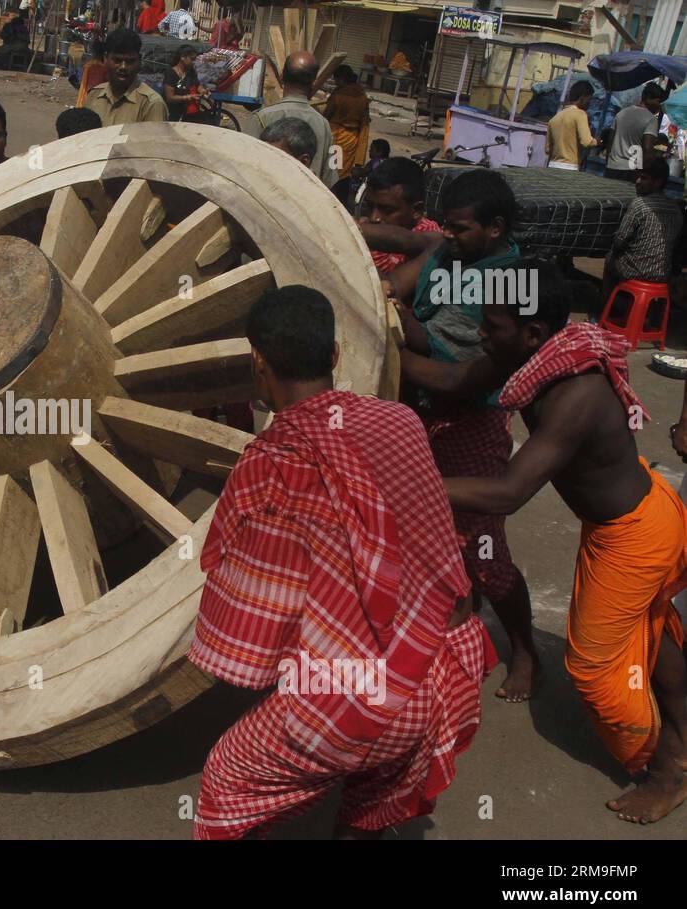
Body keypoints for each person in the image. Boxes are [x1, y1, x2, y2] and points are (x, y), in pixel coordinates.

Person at [190, 285, 493, 839]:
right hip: (449, 670)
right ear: (334, 355)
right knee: (370, 798)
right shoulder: (399, 421)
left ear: (257, 361)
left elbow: (253, 627)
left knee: (227, 778)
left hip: (362, 701)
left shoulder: (271, 463)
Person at [408, 259, 687, 825]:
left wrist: (408, 484)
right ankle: (681, 744)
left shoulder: (574, 393)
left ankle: (665, 773)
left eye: (493, 325)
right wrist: (384, 332)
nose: (482, 334)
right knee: (652, 637)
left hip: (635, 535)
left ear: (532, 333)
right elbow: (454, 380)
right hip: (626, 523)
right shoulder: (536, 356)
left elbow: (509, 491)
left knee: (594, 669)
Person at [388, 169, 538, 703]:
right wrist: (389, 295)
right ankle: (457, 644)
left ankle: (525, 649)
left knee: (484, 554)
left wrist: (396, 335)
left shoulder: (507, 282)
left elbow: (451, 368)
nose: (448, 236)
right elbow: (405, 276)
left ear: (496, 228)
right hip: (424, 419)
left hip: (471, 423)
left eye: (460, 228)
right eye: (446, 227)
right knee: (425, 543)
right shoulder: (454, 255)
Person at [247, 51, 336, 186]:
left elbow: (243, 164)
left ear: (282, 77)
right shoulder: (324, 125)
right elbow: (331, 176)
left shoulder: (261, 117)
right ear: (313, 82)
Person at [603, 157, 682, 297]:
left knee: (610, 258)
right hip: (663, 273)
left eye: (644, 178)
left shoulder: (639, 205)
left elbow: (619, 241)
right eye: (638, 177)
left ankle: (608, 307)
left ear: (657, 182)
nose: (637, 182)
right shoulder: (675, 208)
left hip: (636, 272)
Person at [355, 156, 442, 275]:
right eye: (370, 206)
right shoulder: (367, 227)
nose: (374, 218)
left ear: (416, 210)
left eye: (387, 209)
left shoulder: (430, 239)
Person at [85, 28, 165, 128]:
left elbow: (153, 143)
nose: (123, 67)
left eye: (130, 61)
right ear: (106, 59)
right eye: (117, 60)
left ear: (139, 61)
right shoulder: (93, 95)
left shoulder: (151, 104)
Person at [605, 83, 668, 182]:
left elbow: (610, 142)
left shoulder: (622, 113)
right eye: (658, 101)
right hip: (630, 171)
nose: (660, 106)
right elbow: (648, 150)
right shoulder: (651, 119)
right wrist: (640, 173)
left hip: (611, 168)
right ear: (648, 98)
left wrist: (608, 163)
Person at [324, 64, 369, 174]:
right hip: (351, 140)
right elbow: (364, 126)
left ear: (342, 79)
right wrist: (359, 160)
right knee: (342, 173)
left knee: (331, 171)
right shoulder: (362, 97)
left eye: (336, 80)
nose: (335, 83)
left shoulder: (338, 94)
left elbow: (326, 115)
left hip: (335, 136)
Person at [544, 80, 597, 171]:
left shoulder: (554, 119)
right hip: (570, 167)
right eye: (589, 99)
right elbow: (587, 142)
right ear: (583, 97)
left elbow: (548, 149)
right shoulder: (580, 114)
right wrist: (598, 141)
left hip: (552, 166)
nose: (590, 103)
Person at [163, 45, 207, 123]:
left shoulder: (191, 72)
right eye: (192, 59)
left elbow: (197, 85)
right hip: (174, 116)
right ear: (182, 57)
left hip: (190, 116)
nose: (194, 62)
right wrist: (187, 97)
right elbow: (169, 98)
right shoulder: (171, 73)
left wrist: (202, 90)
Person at [74, 37, 107, 109]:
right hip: (99, 96)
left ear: (94, 52)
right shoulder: (106, 68)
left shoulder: (89, 66)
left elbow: (81, 81)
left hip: (90, 94)